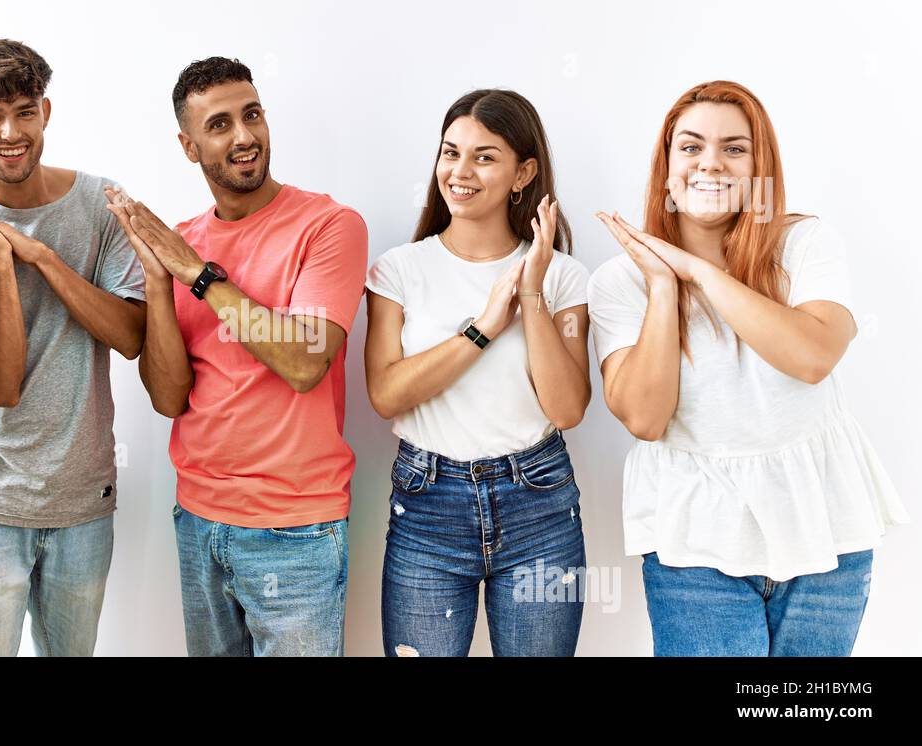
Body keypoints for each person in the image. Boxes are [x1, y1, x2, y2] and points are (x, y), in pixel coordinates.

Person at [588, 80, 910, 656]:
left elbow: (812, 358)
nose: (710, 162)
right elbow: (644, 416)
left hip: (824, 524)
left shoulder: (806, 245)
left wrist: (702, 272)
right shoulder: (620, 282)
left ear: (761, 168)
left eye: (734, 148)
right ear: (666, 169)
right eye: (690, 148)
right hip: (694, 539)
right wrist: (664, 285)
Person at [104, 57, 368, 656]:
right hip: (199, 520)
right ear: (189, 146)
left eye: (252, 115)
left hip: (295, 528)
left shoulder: (328, 225)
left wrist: (197, 275)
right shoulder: (178, 244)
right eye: (220, 124)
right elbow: (169, 397)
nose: (245, 136)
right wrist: (156, 282)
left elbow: (304, 363)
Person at [0, 38, 146, 657]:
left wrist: (41, 258)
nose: (10, 131)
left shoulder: (100, 205)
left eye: (23, 110)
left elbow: (129, 335)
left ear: (47, 110)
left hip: (83, 496)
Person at [365, 89, 591, 657]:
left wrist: (531, 292)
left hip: (537, 504)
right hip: (427, 506)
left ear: (525, 173)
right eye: (450, 152)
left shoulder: (563, 276)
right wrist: (483, 328)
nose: (460, 172)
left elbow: (567, 409)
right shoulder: (399, 270)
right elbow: (387, 394)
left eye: (485, 157)